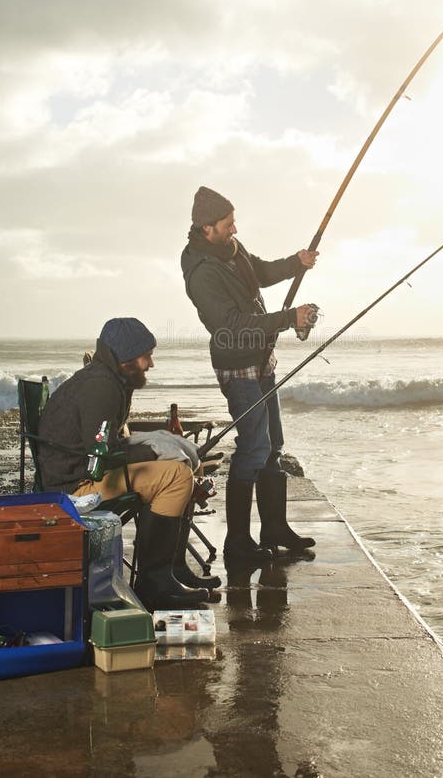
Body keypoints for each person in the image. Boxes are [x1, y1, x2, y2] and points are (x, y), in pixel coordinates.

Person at [37, 316, 220, 611]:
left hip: (83, 473)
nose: (151, 364)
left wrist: (160, 444)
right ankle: (154, 584)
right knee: (176, 475)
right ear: (126, 359)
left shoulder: (110, 379)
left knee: (186, 465)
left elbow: (106, 443)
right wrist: (154, 450)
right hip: (76, 488)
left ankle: (172, 570)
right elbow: (103, 452)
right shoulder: (101, 387)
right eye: (146, 356)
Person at [181, 186, 319, 563]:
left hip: (262, 360)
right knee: (253, 448)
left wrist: (297, 262)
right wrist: (289, 318)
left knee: (273, 445)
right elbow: (232, 323)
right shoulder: (200, 273)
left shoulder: (231, 250)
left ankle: (274, 528)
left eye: (234, 221)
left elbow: (260, 271)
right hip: (236, 365)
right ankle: (238, 543)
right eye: (228, 224)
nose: (235, 229)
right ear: (207, 228)